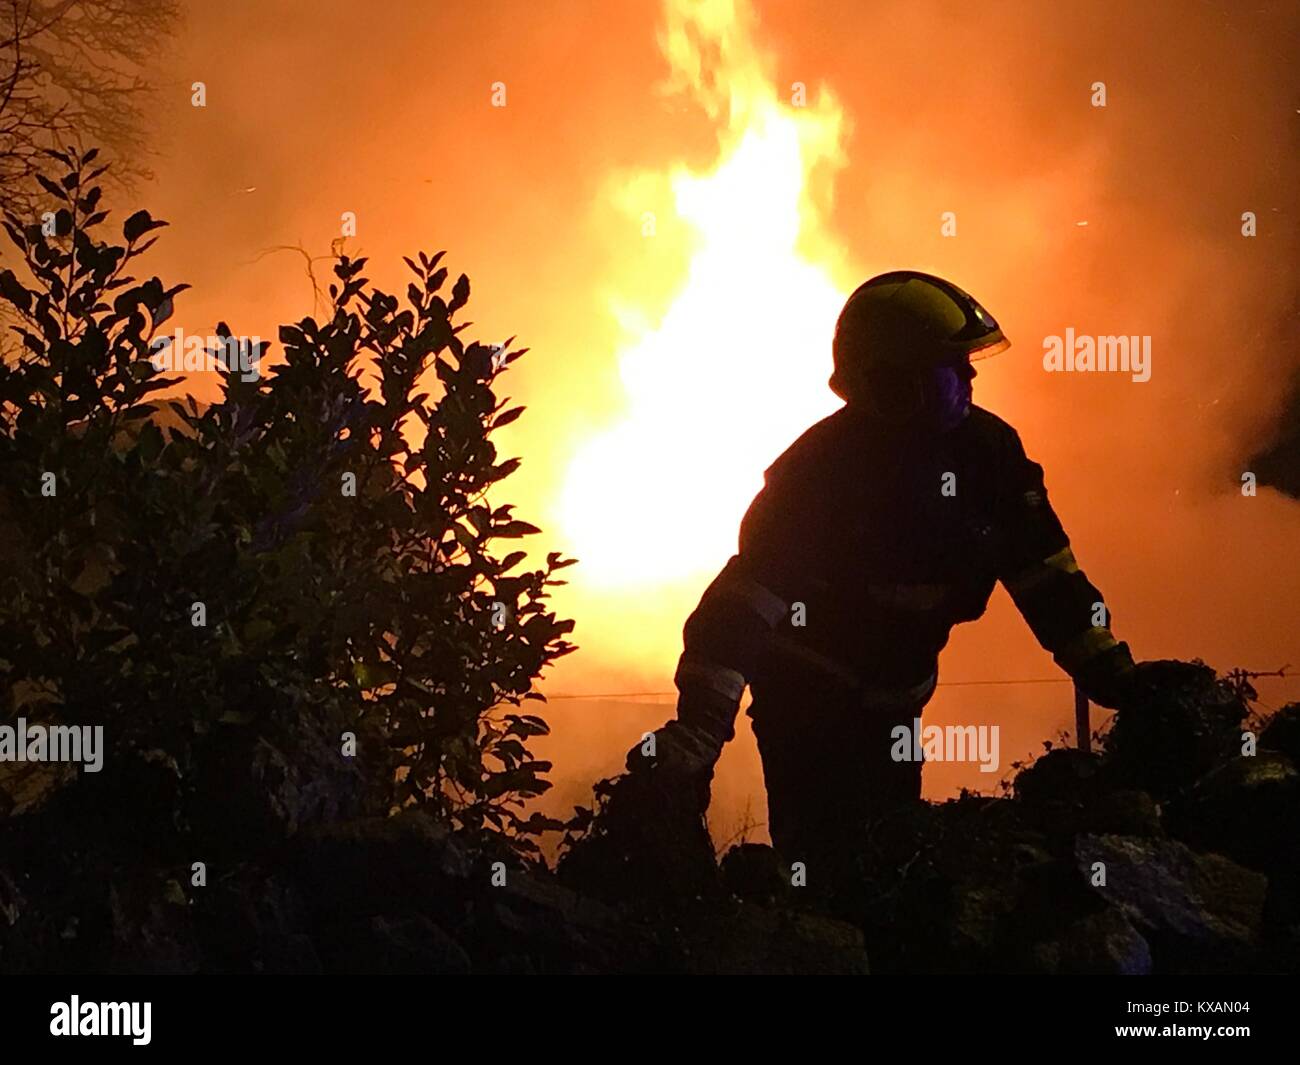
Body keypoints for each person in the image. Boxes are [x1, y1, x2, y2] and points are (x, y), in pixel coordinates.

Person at [626, 270, 1144, 883]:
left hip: (898, 702)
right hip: (806, 709)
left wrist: (1115, 674)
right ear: (892, 385)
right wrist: (698, 733)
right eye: (951, 368)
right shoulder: (816, 476)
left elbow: (1048, 575)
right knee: (823, 870)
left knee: (891, 858)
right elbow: (740, 608)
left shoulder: (988, 455)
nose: (970, 380)